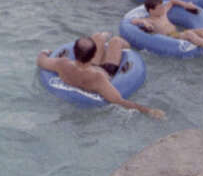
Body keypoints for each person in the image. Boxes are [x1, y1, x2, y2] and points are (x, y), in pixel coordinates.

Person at [36, 34, 165, 118]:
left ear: (74, 52)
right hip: (105, 70)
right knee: (116, 41)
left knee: (98, 37)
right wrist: (149, 111)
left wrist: (45, 51)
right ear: (93, 55)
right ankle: (122, 46)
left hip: (85, 66)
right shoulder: (98, 78)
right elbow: (119, 101)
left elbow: (41, 61)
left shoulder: (62, 63)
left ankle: (102, 37)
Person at [130, 0, 203, 54]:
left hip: (176, 34)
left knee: (201, 31)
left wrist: (185, 5)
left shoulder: (163, 12)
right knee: (189, 34)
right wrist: (143, 22)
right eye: (159, 8)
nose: (162, 8)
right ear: (151, 11)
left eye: (162, 6)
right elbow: (133, 21)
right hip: (169, 37)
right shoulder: (150, 20)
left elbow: (172, 1)